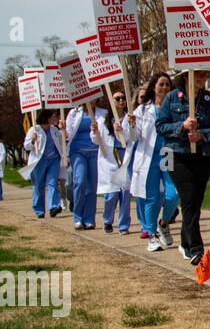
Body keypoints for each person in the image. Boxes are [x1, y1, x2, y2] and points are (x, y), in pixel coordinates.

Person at [155, 73, 210, 267]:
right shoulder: (172, 98)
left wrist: (202, 135)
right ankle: (196, 248)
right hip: (176, 155)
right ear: (186, 76)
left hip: (203, 155)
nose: (201, 78)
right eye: (197, 74)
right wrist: (182, 126)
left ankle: (185, 241)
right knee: (188, 197)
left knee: (195, 200)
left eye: (204, 74)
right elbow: (160, 126)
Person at [127, 72, 180, 251]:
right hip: (148, 157)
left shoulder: (175, 107)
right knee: (152, 197)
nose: (164, 88)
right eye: (161, 84)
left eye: (167, 84)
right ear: (154, 87)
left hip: (166, 154)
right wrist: (132, 125)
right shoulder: (142, 110)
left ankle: (163, 223)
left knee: (173, 194)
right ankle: (151, 234)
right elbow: (133, 138)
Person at [93, 100, 132, 233]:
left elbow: (132, 136)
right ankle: (107, 220)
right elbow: (95, 140)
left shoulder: (129, 117)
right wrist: (94, 132)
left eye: (123, 98)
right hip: (109, 159)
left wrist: (121, 131)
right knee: (112, 194)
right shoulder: (102, 120)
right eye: (117, 98)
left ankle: (123, 225)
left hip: (124, 157)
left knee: (125, 194)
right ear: (111, 102)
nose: (121, 100)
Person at [65, 104, 103, 230]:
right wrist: (62, 129)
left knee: (92, 187)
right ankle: (78, 217)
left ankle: (89, 219)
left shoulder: (103, 113)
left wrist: (97, 130)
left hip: (95, 151)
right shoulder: (74, 113)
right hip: (78, 151)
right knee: (80, 182)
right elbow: (68, 135)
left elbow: (105, 132)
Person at [23, 110, 63, 219]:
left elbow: (63, 139)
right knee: (38, 186)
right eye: (53, 117)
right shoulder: (34, 130)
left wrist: (63, 128)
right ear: (47, 118)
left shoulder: (54, 130)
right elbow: (26, 146)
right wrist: (32, 140)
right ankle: (39, 210)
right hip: (38, 161)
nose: (54, 118)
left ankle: (53, 207)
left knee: (52, 183)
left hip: (53, 160)